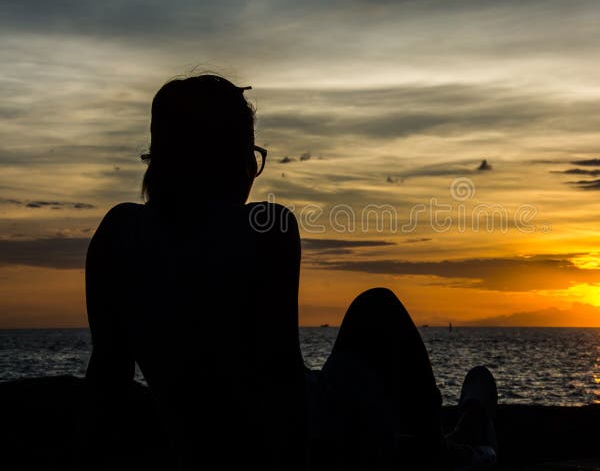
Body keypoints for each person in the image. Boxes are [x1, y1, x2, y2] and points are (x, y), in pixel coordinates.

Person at [83, 74, 497, 470]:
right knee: (378, 308)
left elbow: (108, 380)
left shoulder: (117, 234)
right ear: (233, 159)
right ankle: (441, 452)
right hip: (317, 440)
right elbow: (282, 389)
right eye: (251, 156)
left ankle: (458, 431)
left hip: (203, 450)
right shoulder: (264, 228)